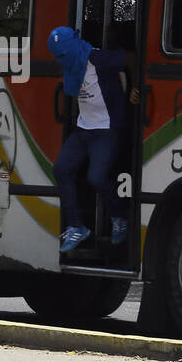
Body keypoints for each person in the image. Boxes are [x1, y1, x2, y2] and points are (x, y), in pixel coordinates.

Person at [48, 25, 138, 252]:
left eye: (62, 55)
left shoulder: (99, 59)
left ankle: (120, 218)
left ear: (72, 49)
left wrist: (136, 86)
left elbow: (131, 58)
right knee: (61, 169)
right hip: (84, 129)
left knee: (96, 178)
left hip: (108, 129)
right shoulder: (72, 66)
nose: (60, 61)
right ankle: (77, 226)